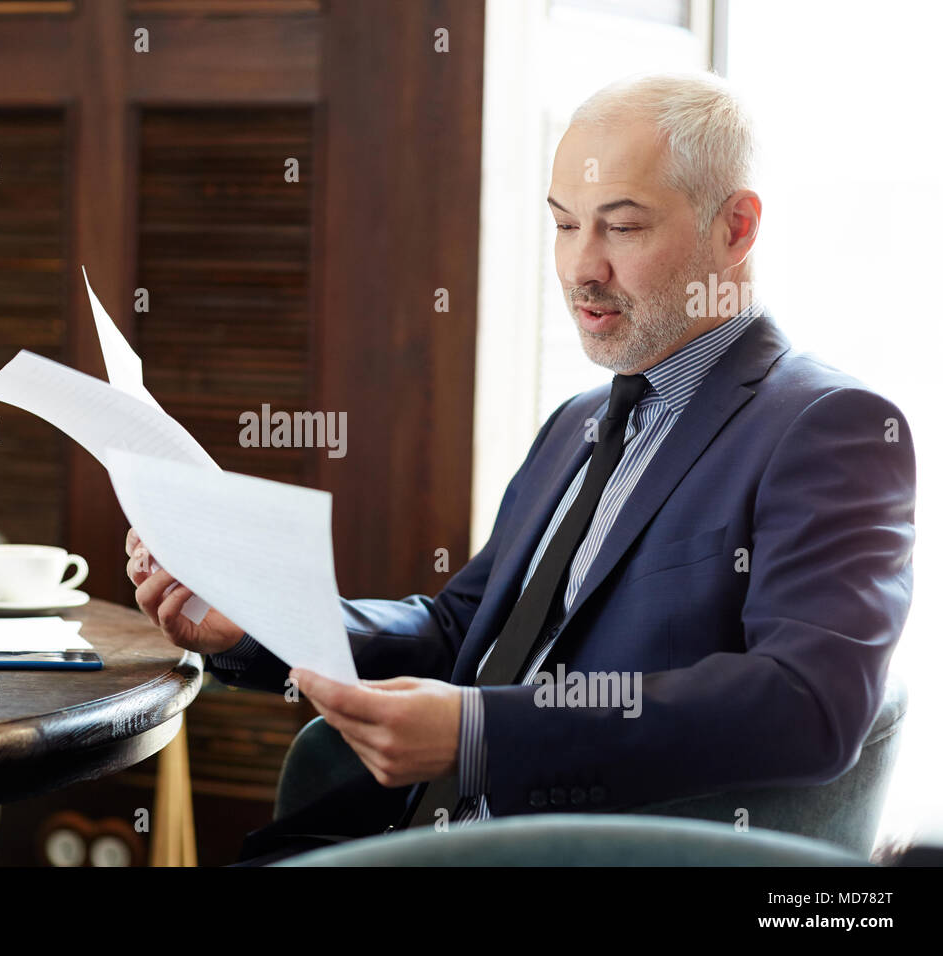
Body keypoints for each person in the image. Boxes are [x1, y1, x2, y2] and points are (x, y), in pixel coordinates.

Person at [125, 71, 916, 865]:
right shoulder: (576, 424)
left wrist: (480, 734)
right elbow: (459, 634)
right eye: (565, 225)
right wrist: (259, 620)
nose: (581, 268)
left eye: (623, 227)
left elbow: (809, 703)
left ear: (737, 228)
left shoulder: (829, 428)